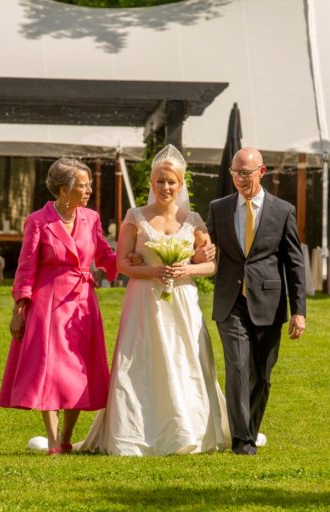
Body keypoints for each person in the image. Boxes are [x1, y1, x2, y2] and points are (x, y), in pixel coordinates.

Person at [77, 144, 230, 456]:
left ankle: (188, 428)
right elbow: (121, 264)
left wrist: (187, 268)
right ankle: (133, 430)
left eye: (172, 181)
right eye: (160, 181)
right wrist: (151, 270)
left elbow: (210, 264)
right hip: (144, 301)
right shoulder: (135, 218)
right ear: (151, 183)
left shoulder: (194, 220)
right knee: (141, 361)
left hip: (182, 302)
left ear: (181, 184)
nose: (166, 187)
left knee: (184, 359)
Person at [0, 157, 117, 455]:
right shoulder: (37, 221)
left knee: (78, 369)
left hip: (83, 305)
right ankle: (52, 442)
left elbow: (104, 256)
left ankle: (66, 437)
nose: (88, 191)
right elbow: (25, 269)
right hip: (47, 305)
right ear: (64, 190)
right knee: (50, 370)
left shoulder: (92, 218)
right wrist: (18, 311)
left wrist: (136, 256)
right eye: (82, 186)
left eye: (89, 185)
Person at [207, 147, 306, 456]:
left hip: (269, 304)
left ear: (262, 172)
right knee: (236, 367)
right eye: (235, 173)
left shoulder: (283, 210)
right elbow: (204, 248)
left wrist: (298, 311)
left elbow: (295, 263)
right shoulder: (219, 208)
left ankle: (249, 427)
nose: (239, 179)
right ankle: (242, 441)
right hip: (230, 302)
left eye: (245, 173)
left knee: (261, 375)